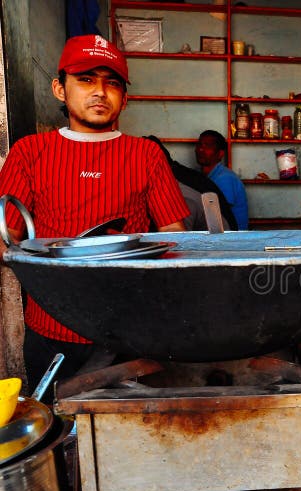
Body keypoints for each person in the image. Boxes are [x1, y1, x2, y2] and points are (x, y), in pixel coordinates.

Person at [0, 34, 189, 393]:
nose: (100, 92)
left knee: (128, 431)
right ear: (60, 88)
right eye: (86, 80)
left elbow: (174, 238)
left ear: (124, 98)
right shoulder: (30, 152)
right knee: (56, 429)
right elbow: (4, 241)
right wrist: (54, 263)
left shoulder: (146, 155)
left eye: (111, 83)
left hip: (129, 330)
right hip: (51, 327)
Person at [144, 135, 236, 230]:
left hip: (224, 240)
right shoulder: (186, 174)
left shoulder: (174, 186)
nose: (201, 150)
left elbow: (179, 237)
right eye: (199, 145)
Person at [195, 130, 248, 230]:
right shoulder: (204, 176)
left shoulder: (225, 178)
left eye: (208, 146)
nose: (201, 149)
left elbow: (216, 215)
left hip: (233, 240)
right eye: (199, 145)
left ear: (220, 154)